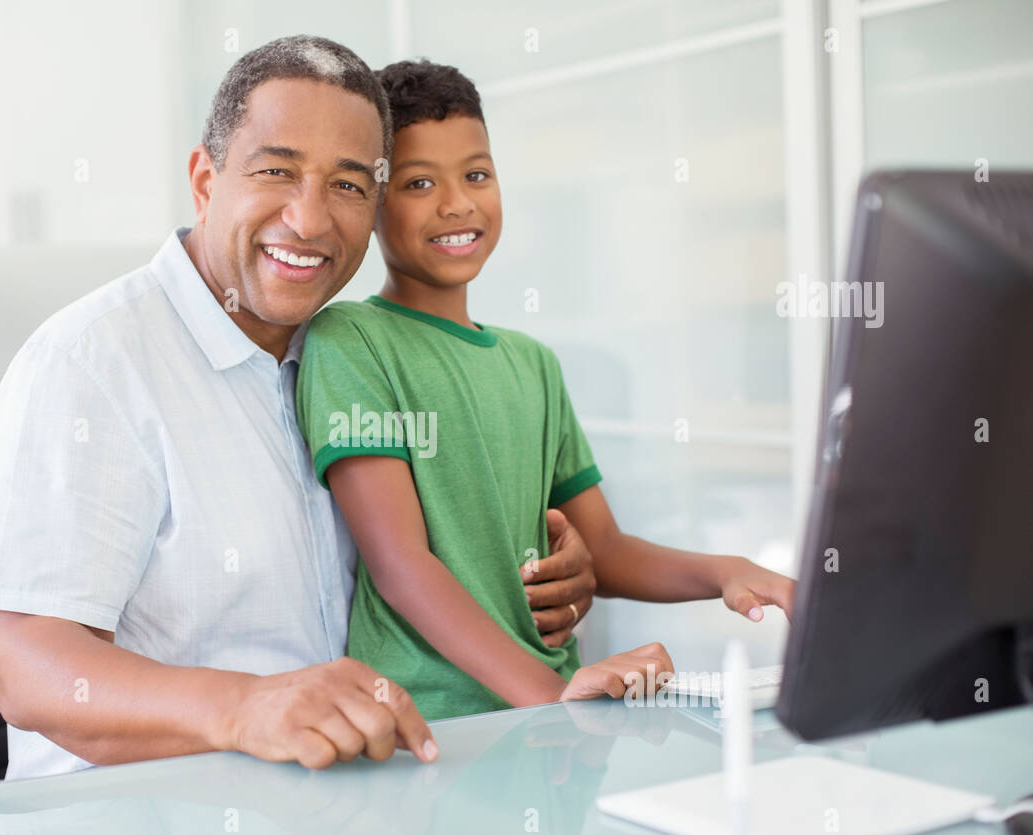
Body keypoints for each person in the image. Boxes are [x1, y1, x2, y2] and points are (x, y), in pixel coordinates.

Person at [0, 36, 616, 779]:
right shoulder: (90, 364)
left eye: (347, 185)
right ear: (205, 181)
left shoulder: (351, 358)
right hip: (139, 822)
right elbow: (29, 667)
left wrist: (549, 564)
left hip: (342, 804)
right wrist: (248, 708)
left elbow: (418, 556)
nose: (309, 221)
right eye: (276, 171)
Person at [295, 59, 795, 721]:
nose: (458, 203)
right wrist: (552, 696)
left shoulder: (534, 365)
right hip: (430, 720)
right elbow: (400, 564)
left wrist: (726, 571)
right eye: (419, 182)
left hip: (550, 716)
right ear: (375, 204)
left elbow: (606, 551)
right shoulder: (350, 341)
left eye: (477, 174)